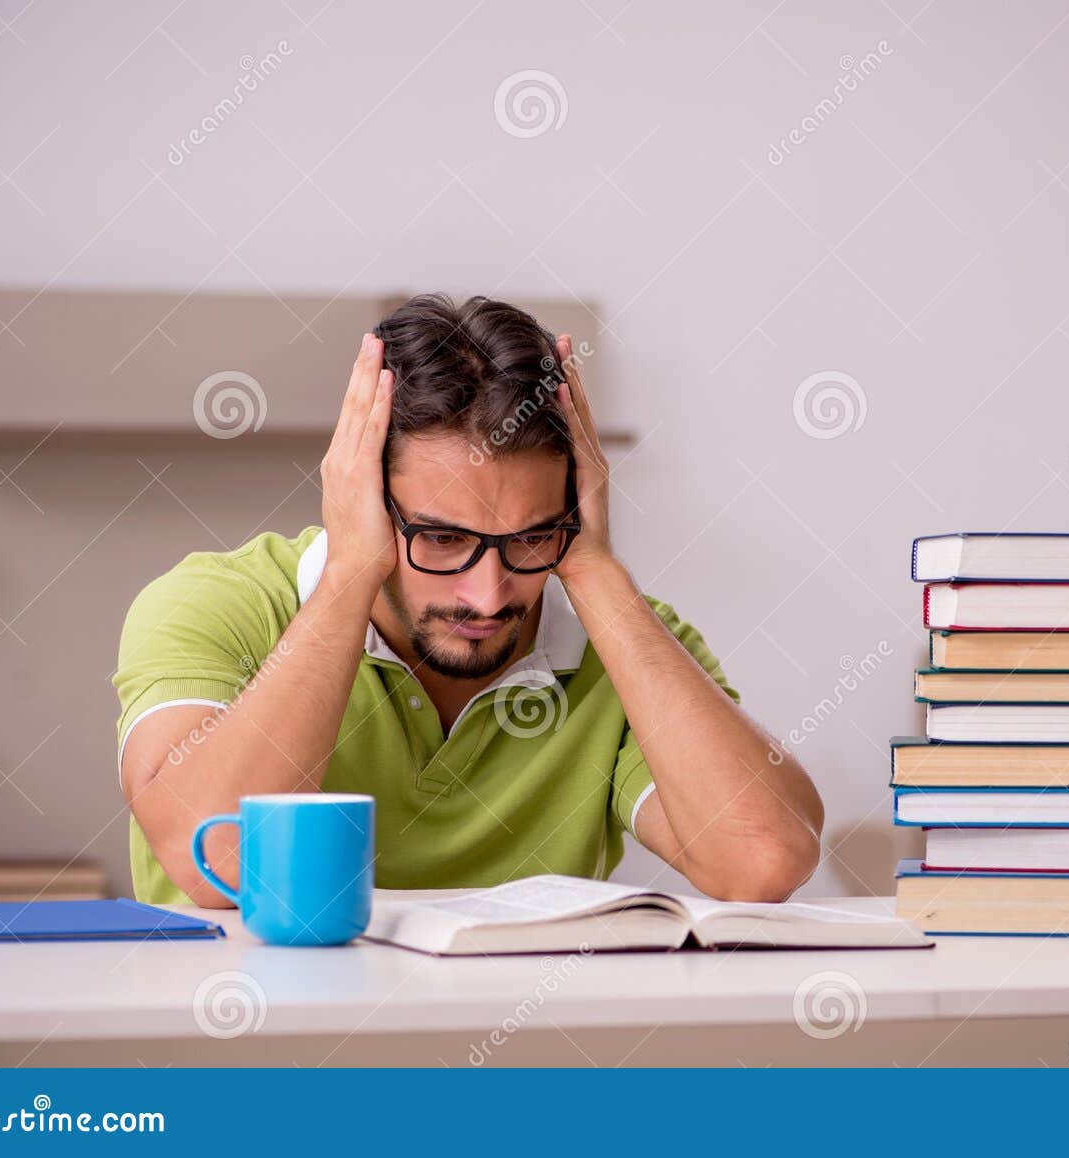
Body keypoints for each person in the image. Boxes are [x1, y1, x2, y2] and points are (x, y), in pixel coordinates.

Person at [115, 293, 824, 907]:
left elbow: (762, 861)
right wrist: (349, 576)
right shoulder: (217, 606)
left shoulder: (627, 643)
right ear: (360, 496)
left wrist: (594, 569)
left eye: (532, 537)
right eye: (443, 539)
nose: (488, 596)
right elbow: (220, 863)